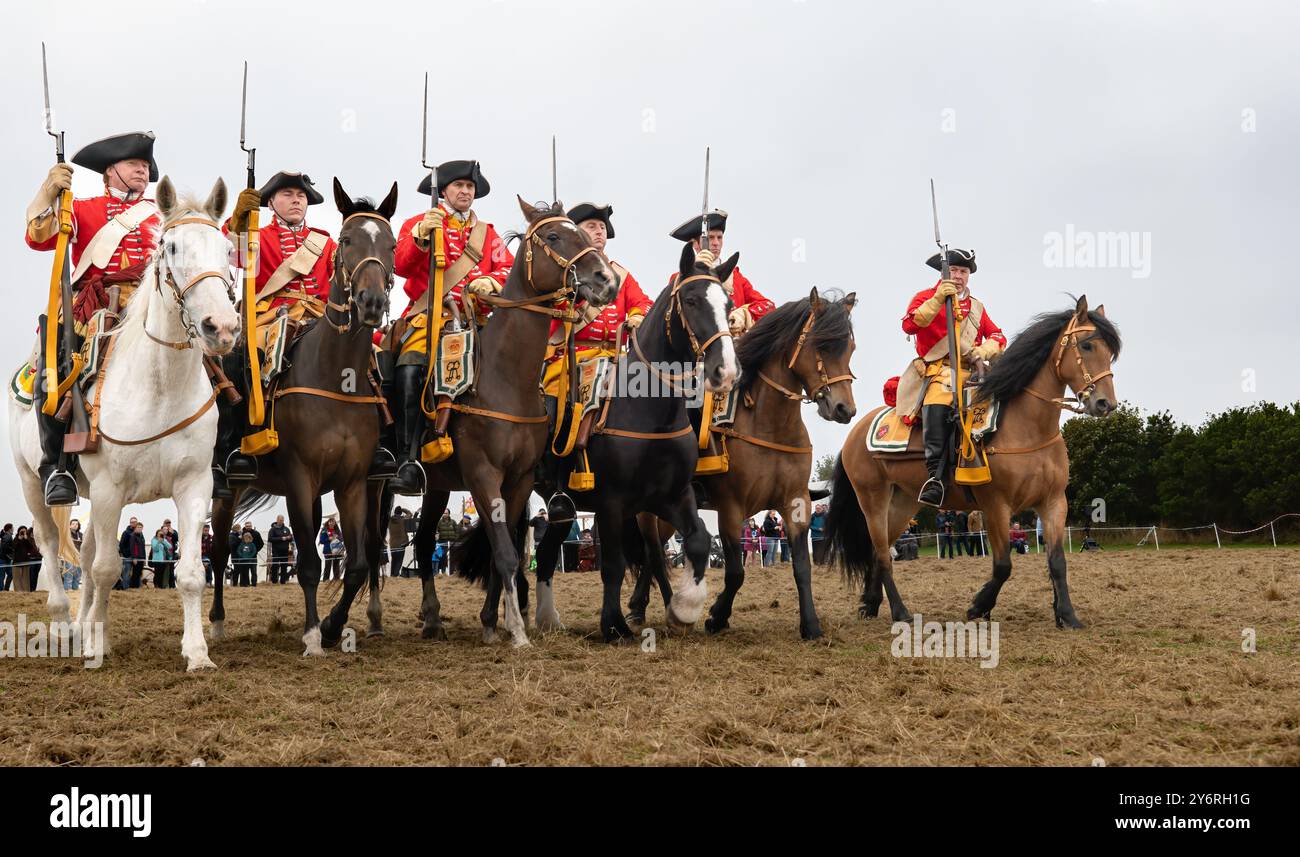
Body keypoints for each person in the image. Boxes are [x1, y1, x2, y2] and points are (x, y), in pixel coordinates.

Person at [24, 132, 163, 506]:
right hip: (95, 308)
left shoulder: (161, 212)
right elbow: (37, 237)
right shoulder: (81, 208)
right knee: (55, 371)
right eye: (133, 163)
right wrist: (48, 191)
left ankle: (219, 456)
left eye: (145, 164)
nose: (142, 169)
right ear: (109, 171)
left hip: (150, 305)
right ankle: (58, 466)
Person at [215, 172, 363, 497]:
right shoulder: (256, 235)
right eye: (287, 194)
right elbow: (230, 256)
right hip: (269, 318)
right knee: (236, 360)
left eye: (301, 195)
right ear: (271, 202)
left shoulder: (324, 241)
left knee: (371, 361)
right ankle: (233, 448)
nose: (296, 200)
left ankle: (378, 443)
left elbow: (347, 277)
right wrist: (239, 221)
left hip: (319, 317)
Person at [383, 160, 514, 496]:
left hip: (478, 320)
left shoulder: (488, 233)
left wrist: (490, 281)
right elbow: (399, 265)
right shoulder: (419, 223)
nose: (465, 192)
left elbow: (508, 271)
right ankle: (408, 458)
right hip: (430, 317)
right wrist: (420, 237)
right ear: (444, 191)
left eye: (470, 187)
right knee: (409, 370)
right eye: (459, 186)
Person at [897, 248, 1006, 507]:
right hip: (939, 369)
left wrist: (985, 349)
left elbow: (998, 335)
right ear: (945, 272)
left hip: (974, 369)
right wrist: (937, 299)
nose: (958, 276)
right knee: (939, 402)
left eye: (964, 272)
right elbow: (910, 325)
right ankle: (935, 478)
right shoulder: (925, 297)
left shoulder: (977, 307)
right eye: (954, 270)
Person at [540, 203, 651, 426]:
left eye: (602, 227)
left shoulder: (620, 274)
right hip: (573, 357)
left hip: (617, 358)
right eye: (592, 226)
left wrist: (637, 316)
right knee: (551, 406)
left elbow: (644, 302)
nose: (600, 231)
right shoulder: (563, 272)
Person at [666, 210, 774, 336]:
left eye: (719, 237)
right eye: (710, 238)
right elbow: (669, 317)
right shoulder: (679, 278)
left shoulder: (735, 277)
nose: (716, 243)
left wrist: (745, 313)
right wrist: (696, 269)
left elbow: (768, 306)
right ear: (695, 244)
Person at [11, 526, 41, 592]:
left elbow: (30, 548)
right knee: (17, 579)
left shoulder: (26, 539)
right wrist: (19, 539)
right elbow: (13, 547)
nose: (22, 532)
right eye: (22, 531)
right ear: (19, 531)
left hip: (26, 561)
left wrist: (26, 539)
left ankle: (26, 592)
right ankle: (18, 592)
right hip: (17, 561)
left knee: (26, 579)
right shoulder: (15, 539)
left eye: (24, 531)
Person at [267, 515, 293, 584]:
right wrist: (281, 538)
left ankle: (283, 581)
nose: (281, 521)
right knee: (275, 565)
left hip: (285, 550)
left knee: (284, 565)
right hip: (276, 551)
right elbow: (270, 539)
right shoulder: (272, 529)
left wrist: (289, 538)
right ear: (277, 520)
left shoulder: (286, 529)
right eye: (280, 520)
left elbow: (291, 538)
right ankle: (274, 580)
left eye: (282, 520)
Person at [387, 506, 412, 577]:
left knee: (394, 560)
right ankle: (395, 574)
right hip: (401, 544)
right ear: (401, 513)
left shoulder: (390, 520)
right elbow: (410, 514)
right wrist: (403, 509)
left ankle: (392, 574)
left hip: (392, 544)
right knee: (399, 561)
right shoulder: (403, 519)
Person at [436, 510, 459, 575]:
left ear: (449, 514)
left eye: (446, 513)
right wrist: (437, 534)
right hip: (442, 542)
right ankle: (443, 571)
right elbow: (436, 530)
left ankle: (452, 572)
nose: (445, 514)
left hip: (451, 542)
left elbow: (457, 530)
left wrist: (456, 538)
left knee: (451, 557)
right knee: (442, 557)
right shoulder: (439, 522)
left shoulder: (453, 522)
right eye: (443, 513)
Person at [0, 523, 14, 591]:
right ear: (9, 529)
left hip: (6, 559)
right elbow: (4, 547)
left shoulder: (7, 536)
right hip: (3, 559)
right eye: (12, 528)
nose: (13, 529)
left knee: (10, 574)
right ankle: (2, 590)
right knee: (2, 576)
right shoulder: (8, 536)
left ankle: (5, 589)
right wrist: (12, 551)